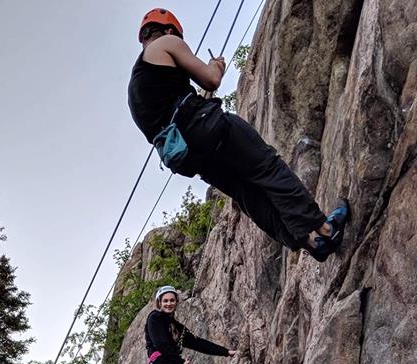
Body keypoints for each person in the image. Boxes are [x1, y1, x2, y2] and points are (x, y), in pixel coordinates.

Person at [128, 9, 350, 261]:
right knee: (266, 167)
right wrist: (216, 67)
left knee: (248, 195)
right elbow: (211, 81)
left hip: (189, 156)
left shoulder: (136, 89)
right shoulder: (167, 43)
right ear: (169, 31)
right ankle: (325, 229)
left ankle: (310, 244)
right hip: (210, 129)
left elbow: (173, 117)